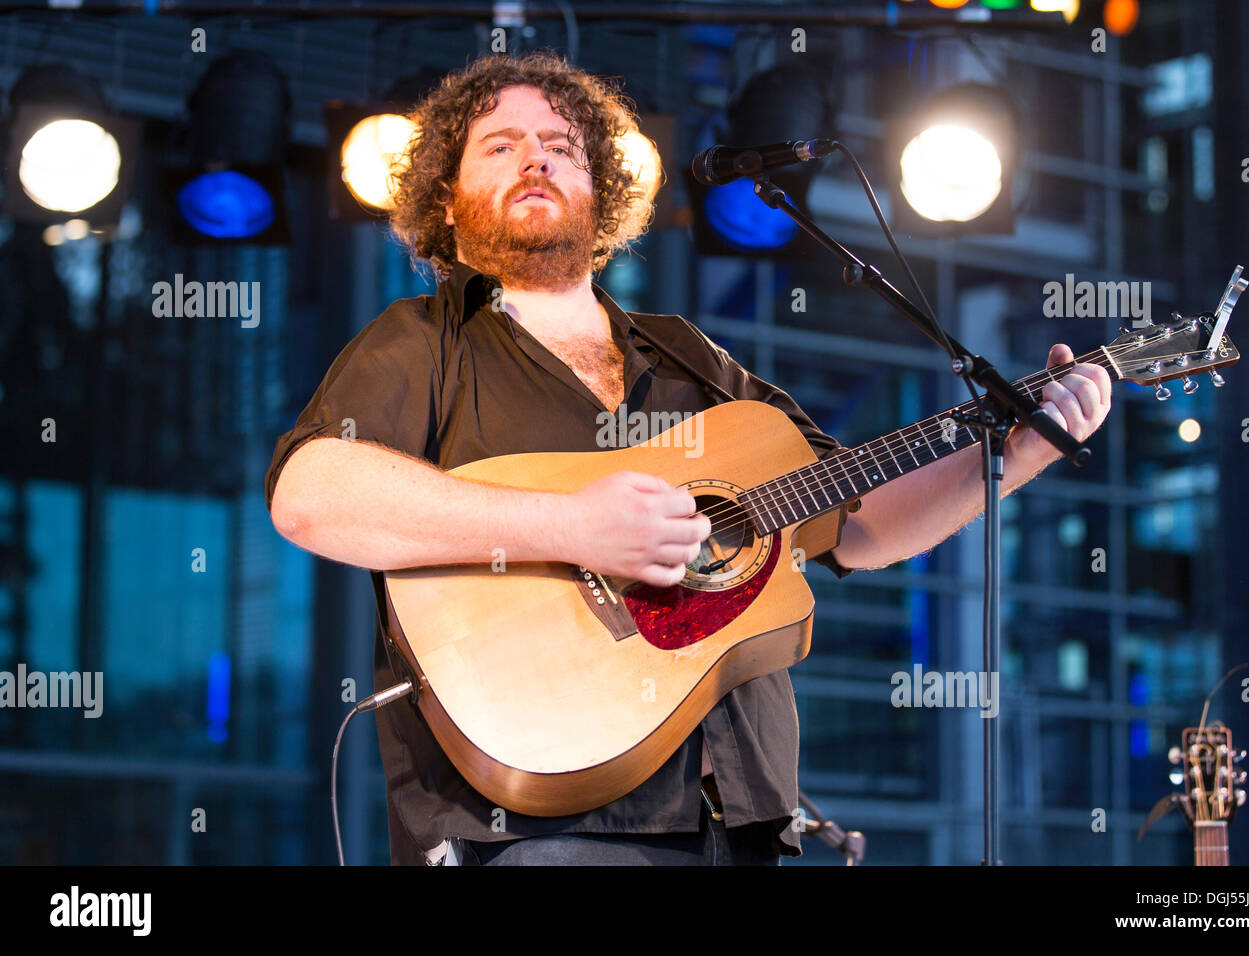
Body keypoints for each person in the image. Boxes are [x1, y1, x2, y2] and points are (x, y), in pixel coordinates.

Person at [264, 52, 1111, 866]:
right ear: (446, 203)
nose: (536, 161)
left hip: (736, 821)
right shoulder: (422, 342)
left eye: (562, 147)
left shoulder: (694, 362)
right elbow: (311, 492)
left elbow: (861, 525)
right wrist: (572, 526)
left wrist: (1021, 449)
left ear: (601, 191)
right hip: (535, 828)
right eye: (500, 145)